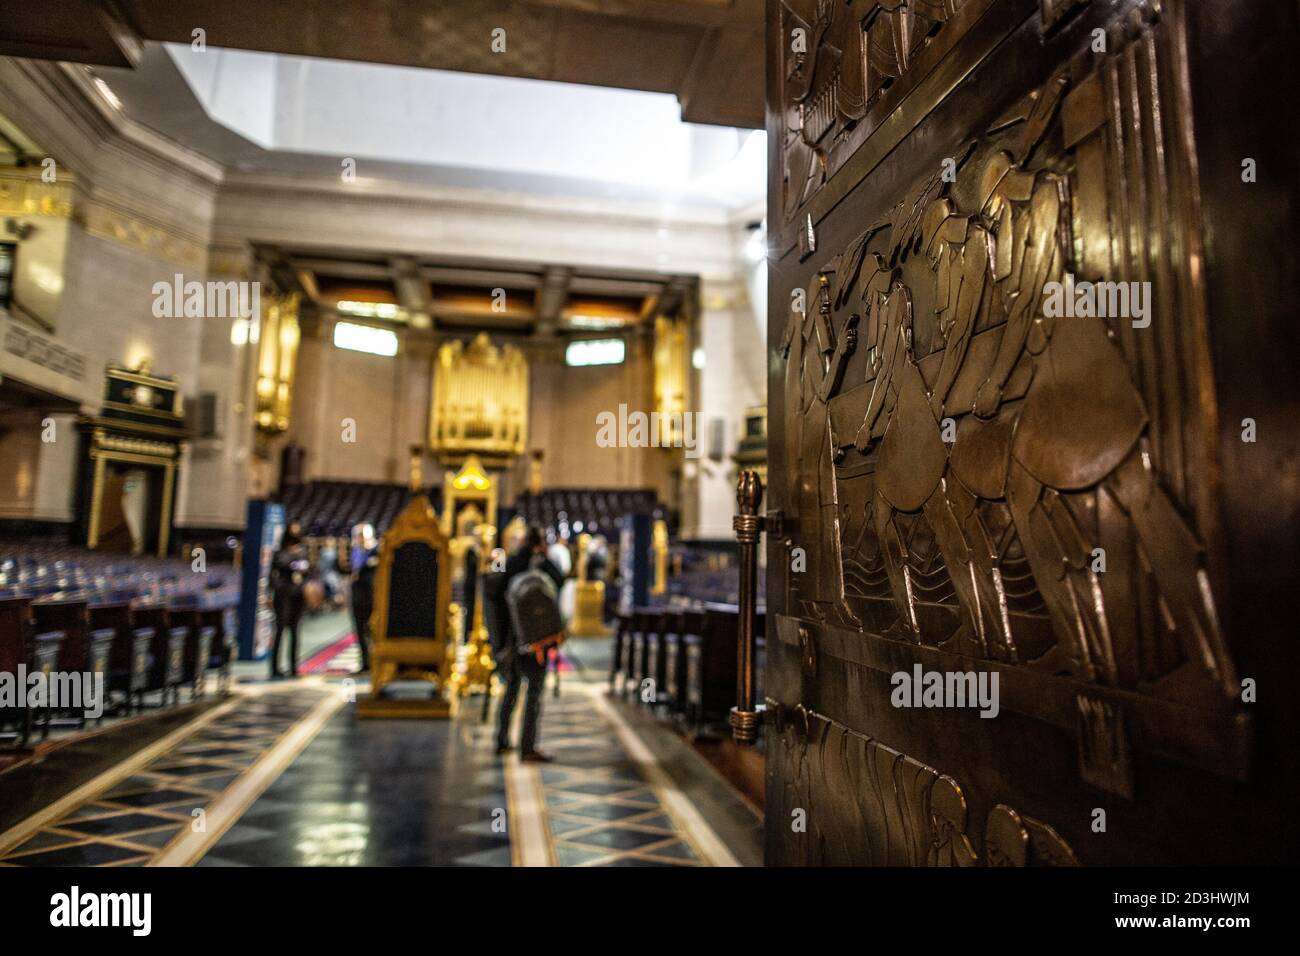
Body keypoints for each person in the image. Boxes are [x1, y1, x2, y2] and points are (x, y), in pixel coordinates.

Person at [493, 526, 563, 761]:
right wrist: (545, 556)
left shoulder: (510, 562)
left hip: (512, 639)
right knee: (533, 692)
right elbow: (560, 582)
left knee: (511, 689)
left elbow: (497, 597)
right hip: (537, 640)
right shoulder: (542, 563)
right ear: (540, 543)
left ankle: (502, 740)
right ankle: (528, 746)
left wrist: (500, 640)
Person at [270, 524, 309, 678]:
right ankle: (275, 667)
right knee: (280, 630)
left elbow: (307, 569)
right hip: (283, 594)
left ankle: (293, 666)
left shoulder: (302, 551)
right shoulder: (280, 553)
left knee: (295, 630)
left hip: (297, 594)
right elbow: (278, 568)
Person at [349, 523, 377, 673]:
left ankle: (375, 661)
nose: (360, 539)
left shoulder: (376, 552)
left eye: (362, 536)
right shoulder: (355, 553)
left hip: (371, 597)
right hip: (357, 597)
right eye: (358, 536)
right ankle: (365, 662)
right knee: (359, 631)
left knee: (372, 631)